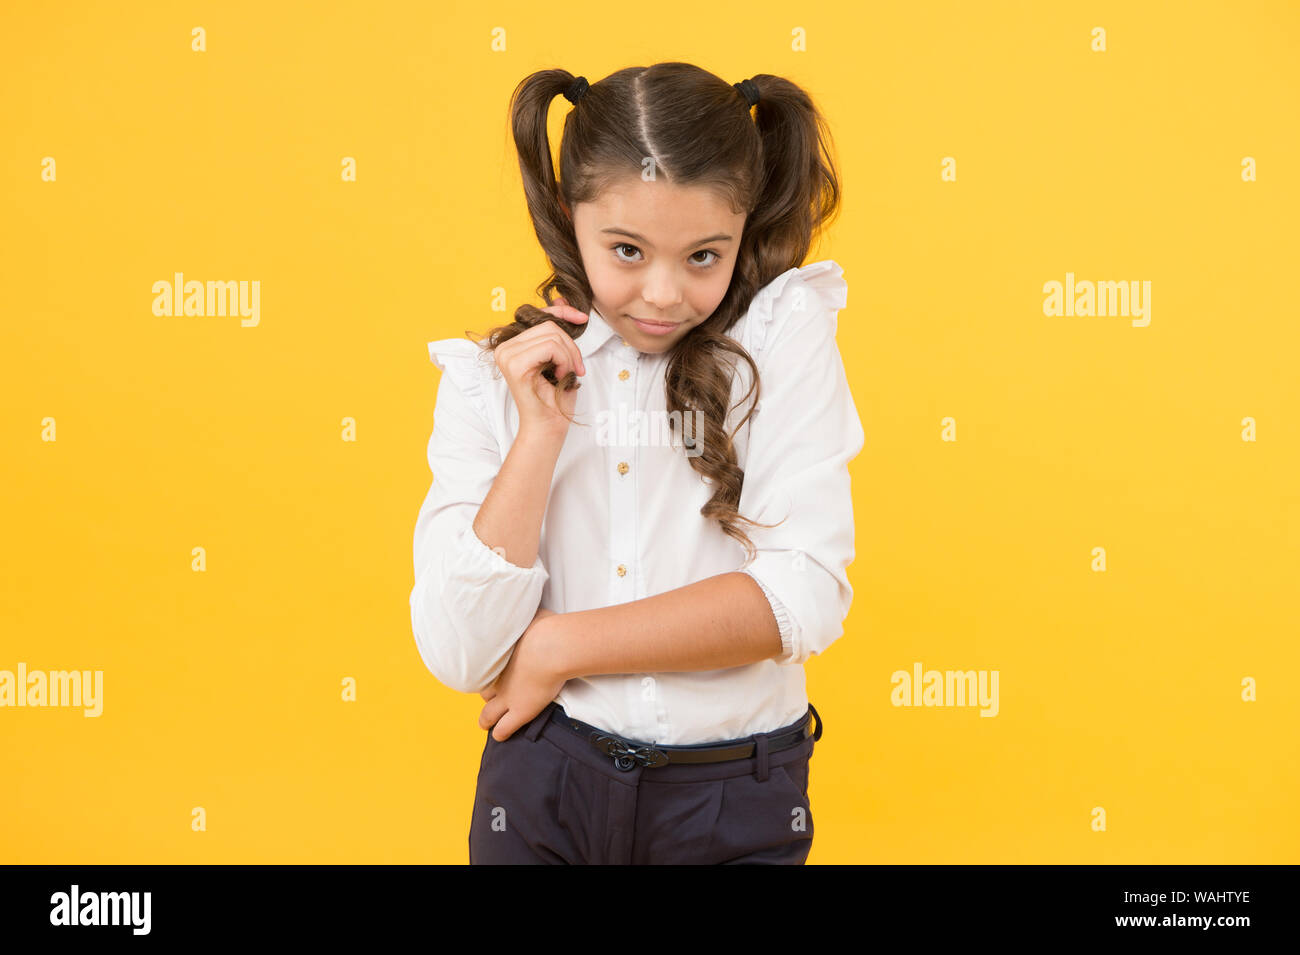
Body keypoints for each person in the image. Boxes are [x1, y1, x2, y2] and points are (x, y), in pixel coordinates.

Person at [409, 62, 865, 864]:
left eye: (702, 255)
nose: (662, 293)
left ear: (742, 228)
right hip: (543, 787)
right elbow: (462, 653)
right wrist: (540, 435)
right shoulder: (493, 378)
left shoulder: (780, 338)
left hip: (732, 803)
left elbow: (803, 596)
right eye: (626, 250)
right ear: (566, 214)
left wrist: (558, 646)